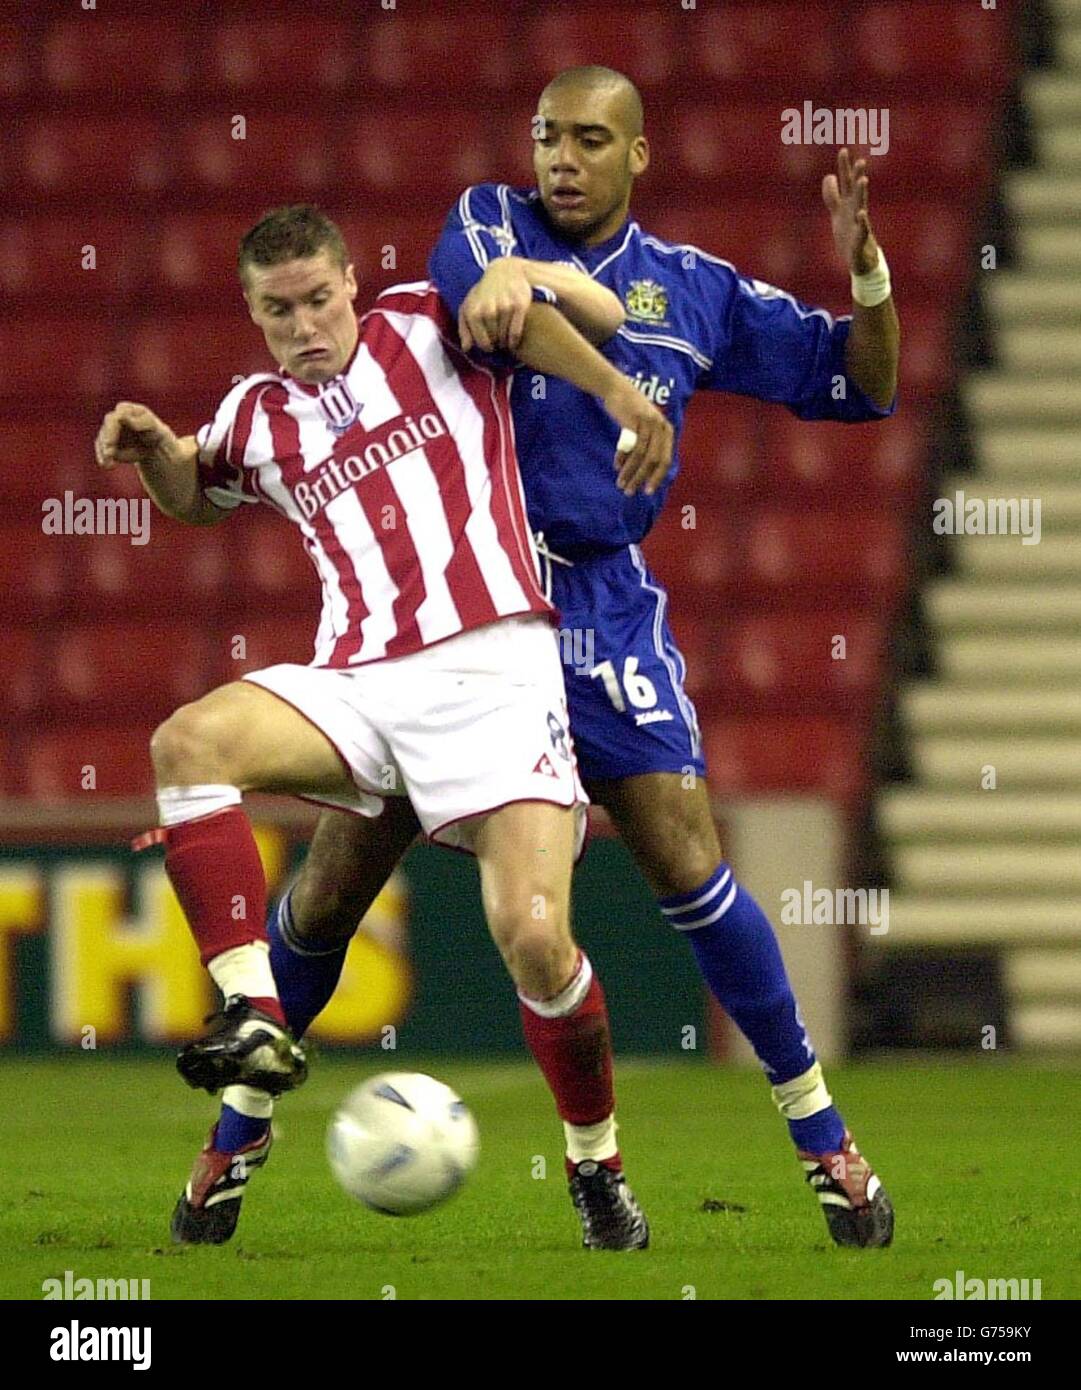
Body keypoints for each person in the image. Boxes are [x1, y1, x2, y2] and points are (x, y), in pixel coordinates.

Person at [259, 66, 901, 1250]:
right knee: (334, 879)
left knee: (688, 863)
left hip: (600, 609)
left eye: (589, 139)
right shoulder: (484, 223)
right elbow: (489, 301)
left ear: (637, 156)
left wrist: (865, 271)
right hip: (460, 611)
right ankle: (230, 1141)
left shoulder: (696, 290)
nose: (560, 156)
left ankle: (823, 1142)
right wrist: (565, 317)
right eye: (549, 134)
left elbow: (863, 388)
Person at [94, 201, 675, 1250]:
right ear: (252, 313)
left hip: (498, 673)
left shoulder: (428, 321)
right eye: (280, 310)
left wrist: (621, 391)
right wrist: (152, 453)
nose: (306, 323)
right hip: (360, 682)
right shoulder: (256, 413)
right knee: (190, 746)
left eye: (319, 298)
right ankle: (252, 1023)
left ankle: (595, 1167)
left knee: (536, 940)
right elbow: (196, 489)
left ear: (352, 282)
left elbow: (550, 317)